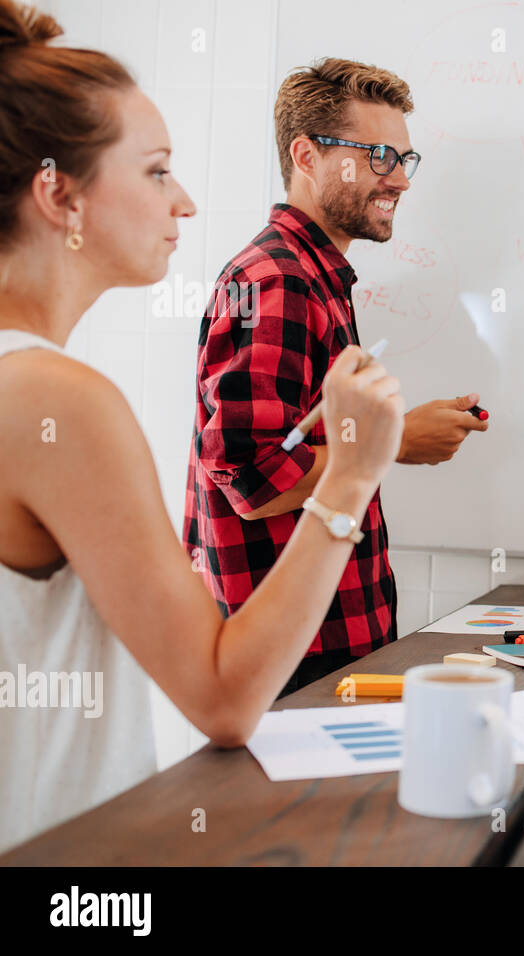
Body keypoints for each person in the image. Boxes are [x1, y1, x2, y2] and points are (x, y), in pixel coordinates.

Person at [0, 1, 404, 853]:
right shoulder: (58, 400)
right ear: (58, 194)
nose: (183, 202)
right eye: (154, 171)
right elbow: (223, 698)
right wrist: (353, 472)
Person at [184, 59, 489, 698]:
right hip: (292, 658)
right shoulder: (277, 282)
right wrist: (396, 441)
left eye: (406, 158)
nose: (401, 179)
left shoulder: (316, 277)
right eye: (379, 155)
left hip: (325, 647)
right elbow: (250, 477)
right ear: (307, 155)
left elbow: (290, 447)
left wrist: (387, 436)